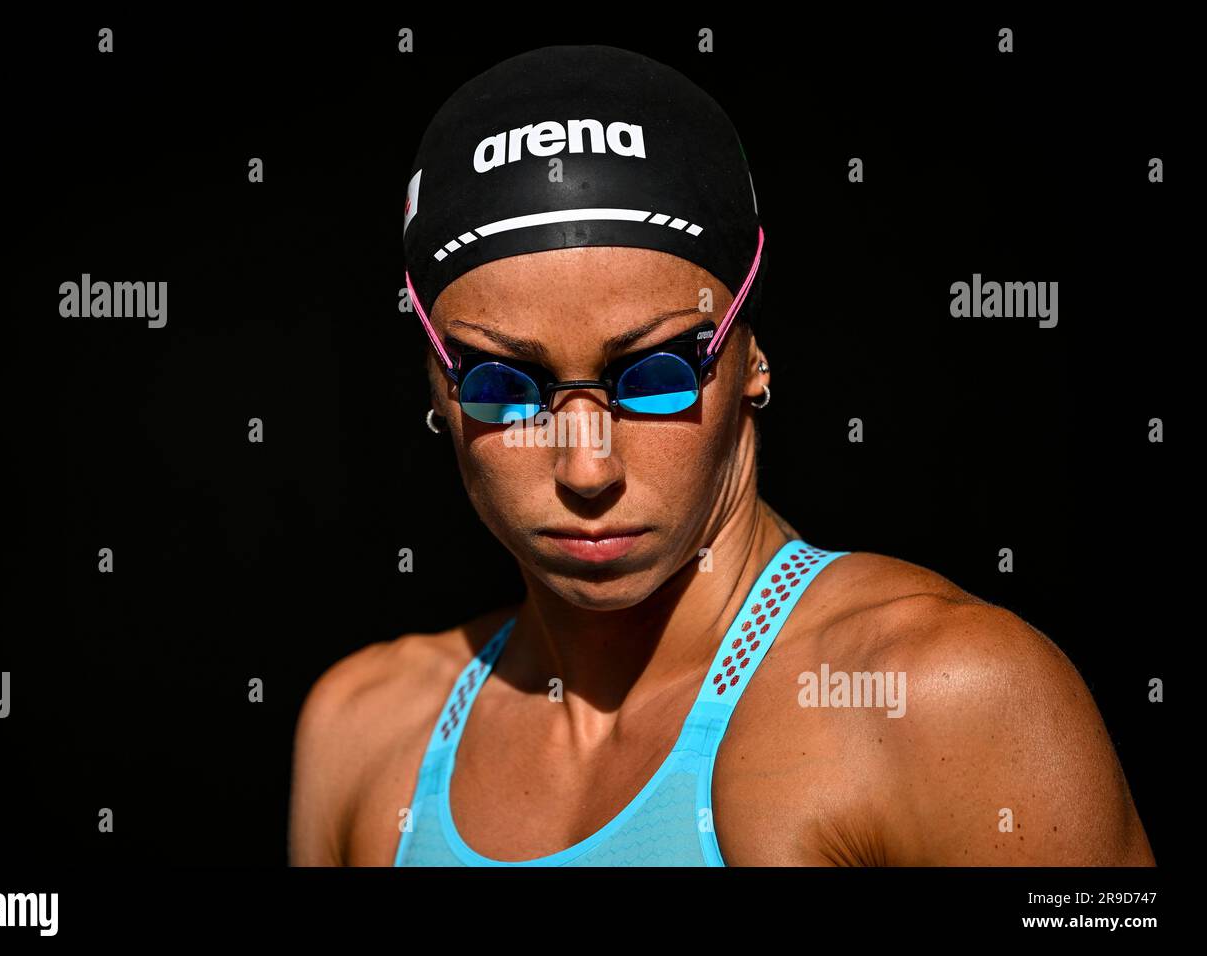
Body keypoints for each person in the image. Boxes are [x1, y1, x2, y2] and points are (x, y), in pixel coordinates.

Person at [289, 45, 1154, 866]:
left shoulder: (940, 699)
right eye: (506, 385)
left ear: (752, 358)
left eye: (655, 375)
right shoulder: (365, 733)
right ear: (435, 386)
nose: (587, 470)